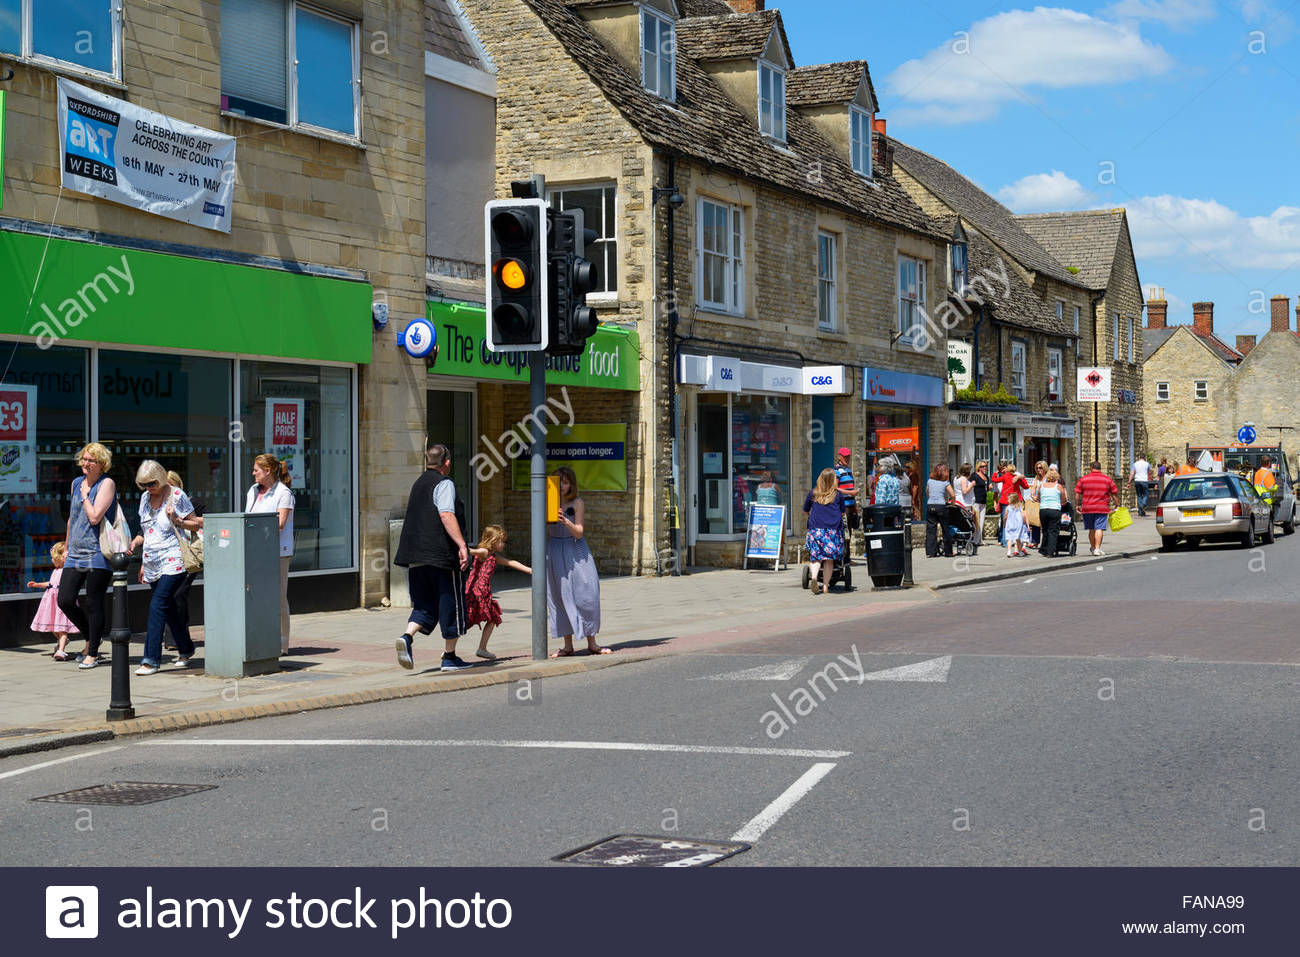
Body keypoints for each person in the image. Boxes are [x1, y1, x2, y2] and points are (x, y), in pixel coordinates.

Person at [394, 444, 471, 672]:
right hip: (441, 556)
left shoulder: (419, 483)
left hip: (416, 557)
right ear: (446, 462)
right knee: (452, 604)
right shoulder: (444, 483)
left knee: (425, 604)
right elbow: (446, 514)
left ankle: (407, 637)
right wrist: (462, 545)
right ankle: (450, 656)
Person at [128, 460, 198, 675]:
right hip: (152, 559)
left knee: (157, 605)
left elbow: (195, 523)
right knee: (167, 608)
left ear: (160, 478)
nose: (148, 488)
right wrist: (136, 545)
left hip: (174, 557)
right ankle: (186, 648)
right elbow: (146, 531)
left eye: (151, 483)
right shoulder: (145, 498)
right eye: (144, 485)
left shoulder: (177, 496)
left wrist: (176, 520)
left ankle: (150, 660)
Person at [58, 442, 119, 670]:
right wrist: (66, 546)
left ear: (101, 464)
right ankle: (91, 637)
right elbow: (72, 518)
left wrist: (86, 496)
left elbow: (94, 517)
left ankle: (92, 653)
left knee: (94, 602)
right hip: (75, 551)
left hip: (96, 552)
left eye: (90, 460)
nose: (85, 463)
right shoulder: (76, 483)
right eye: (83, 459)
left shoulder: (107, 484)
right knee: (64, 599)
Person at [548, 466, 607, 656]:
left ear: (571, 484)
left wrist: (566, 521)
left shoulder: (577, 503)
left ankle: (592, 642)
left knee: (587, 594)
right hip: (555, 550)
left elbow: (579, 532)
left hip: (576, 550)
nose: (562, 486)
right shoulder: (549, 502)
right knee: (559, 596)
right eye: (559, 482)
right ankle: (567, 646)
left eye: (565, 482)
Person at [245, 453, 295, 655]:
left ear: (267, 471)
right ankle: (261, 636)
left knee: (278, 597)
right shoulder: (252, 491)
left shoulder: (284, 493)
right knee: (257, 595)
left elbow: (279, 523)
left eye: (256, 469)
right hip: (254, 549)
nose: (253, 473)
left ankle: (282, 643)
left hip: (277, 552)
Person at [465, 524, 531, 660]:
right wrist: (463, 549)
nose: (504, 544)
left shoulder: (493, 556)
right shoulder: (484, 552)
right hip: (478, 592)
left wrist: (529, 570)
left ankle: (478, 648)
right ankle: (455, 649)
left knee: (480, 619)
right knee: (481, 618)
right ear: (493, 540)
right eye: (502, 541)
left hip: (480, 592)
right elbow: (472, 551)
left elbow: (510, 562)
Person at [163, 470, 203, 651]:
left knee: (178, 594)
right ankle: (177, 637)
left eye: (171, 486)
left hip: (188, 556)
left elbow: (204, 520)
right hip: (167, 556)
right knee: (172, 596)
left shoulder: (192, 503)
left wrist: (181, 521)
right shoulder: (159, 506)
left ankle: (176, 639)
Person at [27, 542, 78, 661]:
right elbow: (51, 584)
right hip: (51, 602)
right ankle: (63, 642)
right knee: (54, 628)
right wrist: (38, 584)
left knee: (62, 628)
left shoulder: (66, 570)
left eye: (54, 558)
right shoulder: (55, 571)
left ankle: (61, 651)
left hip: (61, 601)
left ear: (62, 558)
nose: (52, 560)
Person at [803, 468, 845, 595]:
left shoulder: (813, 493)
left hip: (816, 530)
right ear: (833, 481)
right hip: (832, 531)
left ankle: (814, 577)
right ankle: (826, 586)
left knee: (816, 558)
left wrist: (811, 519)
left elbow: (805, 510)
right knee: (829, 560)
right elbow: (842, 512)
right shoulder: (838, 495)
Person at [1075, 460, 1120, 556]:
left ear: (1091, 468)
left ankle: (1093, 548)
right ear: (1100, 468)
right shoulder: (1107, 480)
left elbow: (1077, 493)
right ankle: (1097, 549)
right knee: (1099, 528)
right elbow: (1114, 494)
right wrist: (1117, 504)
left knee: (1091, 529)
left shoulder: (1083, 479)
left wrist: (1077, 505)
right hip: (1102, 507)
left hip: (1087, 508)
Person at [991, 462, 1028, 547]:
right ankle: (1017, 541)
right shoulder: (1016, 476)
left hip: (1005, 501)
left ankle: (1005, 542)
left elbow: (994, 480)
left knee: (1005, 521)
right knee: (1017, 521)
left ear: (1007, 469)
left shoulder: (1005, 476)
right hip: (1016, 501)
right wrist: (1019, 479)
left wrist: (995, 473)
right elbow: (1026, 486)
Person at [925, 464, 956, 557]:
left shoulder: (930, 481)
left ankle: (931, 552)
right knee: (945, 529)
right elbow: (953, 495)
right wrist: (952, 503)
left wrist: (932, 499)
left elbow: (927, 492)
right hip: (941, 506)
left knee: (931, 529)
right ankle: (948, 551)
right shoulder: (945, 483)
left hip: (930, 505)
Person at [1037, 467, 1069, 557]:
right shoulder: (1058, 486)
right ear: (1057, 478)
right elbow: (1064, 500)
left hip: (1043, 510)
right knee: (1053, 531)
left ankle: (1043, 549)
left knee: (1045, 530)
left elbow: (1038, 498)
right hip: (1054, 510)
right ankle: (1050, 551)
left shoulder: (1041, 486)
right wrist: (1063, 503)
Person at [833, 448, 859, 533]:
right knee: (844, 533)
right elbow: (834, 488)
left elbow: (850, 488)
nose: (847, 459)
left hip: (851, 505)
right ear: (839, 457)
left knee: (850, 532)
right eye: (845, 457)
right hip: (843, 506)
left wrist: (855, 505)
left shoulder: (849, 470)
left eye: (848, 457)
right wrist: (850, 493)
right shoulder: (837, 470)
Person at [1027, 461, 1048, 548]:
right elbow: (1033, 490)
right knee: (1036, 522)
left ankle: (1046, 542)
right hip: (1037, 502)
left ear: (1044, 468)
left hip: (1046, 502)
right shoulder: (1037, 478)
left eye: (1040, 468)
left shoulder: (1048, 478)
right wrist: (1033, 496)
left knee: (1045, 524)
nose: (1038, 470)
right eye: (1037, 468)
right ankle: (1035, 542)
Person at [1003, 491, 1031, 557]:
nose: (1007, 500)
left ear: (1011, 500)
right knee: (1018, 539)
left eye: (1008, 499)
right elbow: (1023, 515)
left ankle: (1009, 551)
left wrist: (1004, 523)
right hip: (1018, 525)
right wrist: (1024, 522)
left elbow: (1005, 516)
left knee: (1009, 539)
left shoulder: (1008, 507)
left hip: (1010, 524)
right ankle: (1020, 551)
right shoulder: (1019, 507)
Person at [971, 461, 990, 543]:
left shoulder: (986, 477)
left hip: (983, 500)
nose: (985, 468)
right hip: (976, 500)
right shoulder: (974, 475)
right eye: (983, 466)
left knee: (982, 520)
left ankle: (980, 539)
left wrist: (989, 488)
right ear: (978, 467)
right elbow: (971, 486)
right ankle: (975, 540)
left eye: (986, 466)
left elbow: (986, 489)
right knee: (976, 521)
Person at [1129, 452, 1152, 517]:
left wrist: (1129, 482)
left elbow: (1132, 473)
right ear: (1145, 458)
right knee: (1145, 494)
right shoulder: (1147, 464)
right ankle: (1143, 505)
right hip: (1144, 480)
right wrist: (1149, 477)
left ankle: (1140, 511)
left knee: (1139, 495)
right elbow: (1150, 472)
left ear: (1139, 457)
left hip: (1137, 481)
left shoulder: (1135, 464)